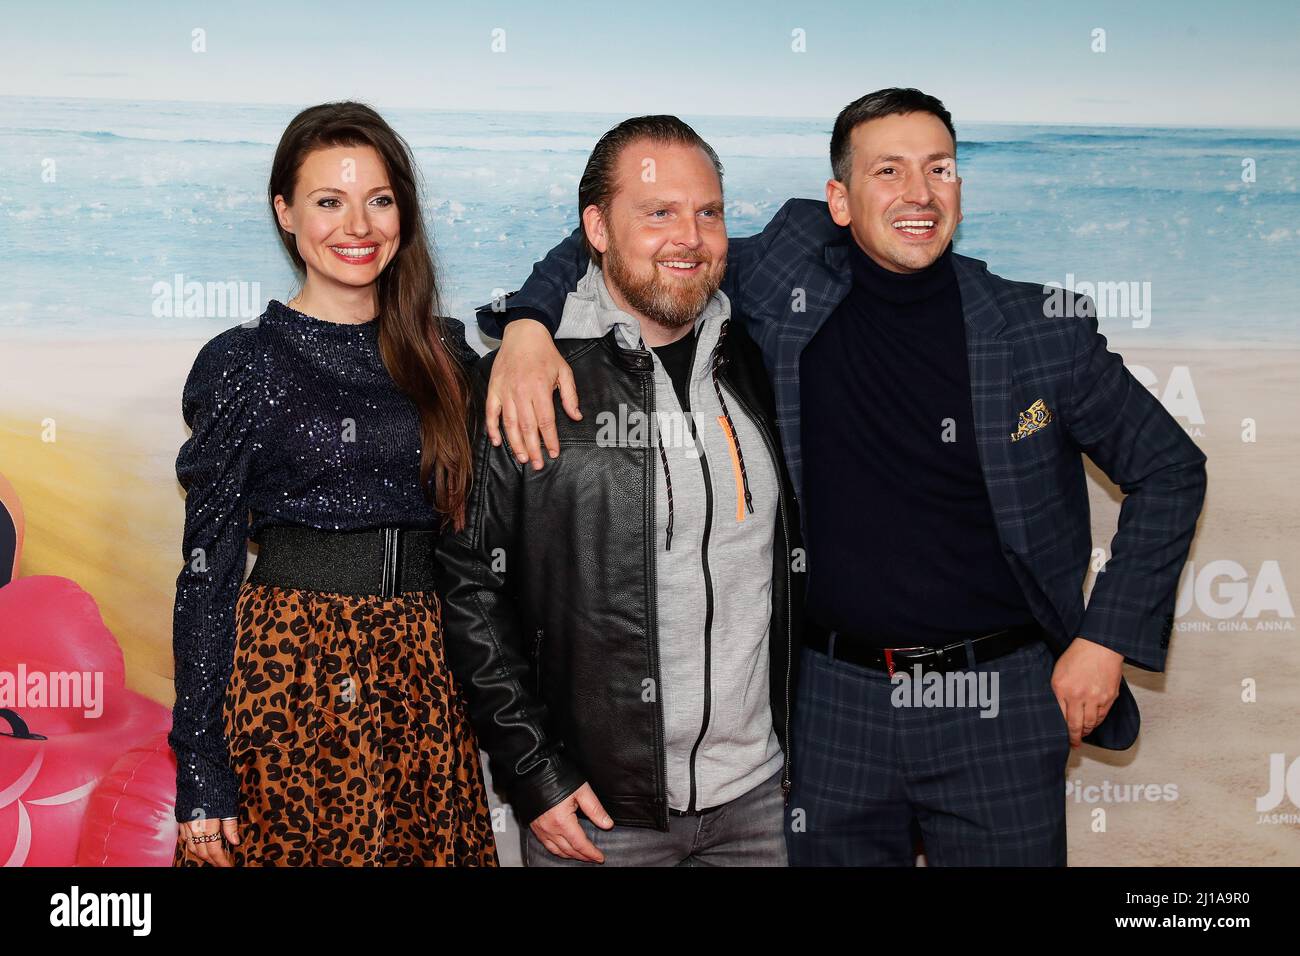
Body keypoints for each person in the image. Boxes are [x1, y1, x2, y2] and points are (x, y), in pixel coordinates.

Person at [472, 88, 1207, 866]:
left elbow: (1169, 468)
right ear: (840, 201)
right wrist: (527, 320)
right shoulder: (783, 283)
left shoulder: (1037, 328)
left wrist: (1102, 640)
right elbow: (630, 236)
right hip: (829, 709)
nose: (918, 194)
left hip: (1000, 698)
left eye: (939, 169)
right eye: (887, 170)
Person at [434, 115, 803, 866]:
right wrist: (534, 772)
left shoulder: (757, 359)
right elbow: (468, 590)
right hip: (602, 816)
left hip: (761, 802)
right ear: (597, 228)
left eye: (708, 212)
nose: (689, 237)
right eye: (658, 212)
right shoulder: (524, 382)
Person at [169, 101, 497, 867]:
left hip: (424, 666)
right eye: (329, 201)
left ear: (404, 214)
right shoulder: (244, 362)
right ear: (285, 212)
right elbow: (207, 575)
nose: (359, 225)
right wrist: (202, 770)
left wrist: (528, 326)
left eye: (379, 200)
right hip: (292, 672)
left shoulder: (446, 355)